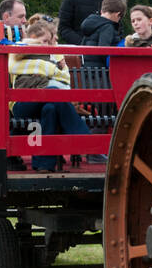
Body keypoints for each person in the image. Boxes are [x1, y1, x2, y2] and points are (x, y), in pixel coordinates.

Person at [8, 20, 99, 170]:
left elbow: (65, 78)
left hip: (46, 99)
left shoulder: (54, 53)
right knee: (54, 93)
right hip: (22, 103)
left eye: (50, 41)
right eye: (44, 41)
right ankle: (81, 136)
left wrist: (45, 70)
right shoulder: (17, 50)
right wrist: (50, 68)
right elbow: (13, 67)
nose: (48, 46)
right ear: (31, 37)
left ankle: (43, 165)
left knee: (49, 109)